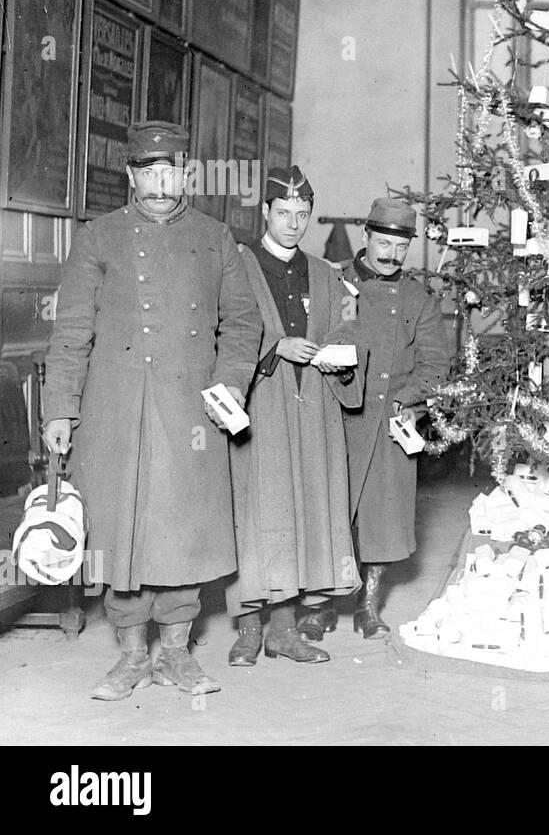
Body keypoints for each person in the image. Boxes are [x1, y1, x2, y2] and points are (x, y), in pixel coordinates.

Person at [41, 120, 262, 700]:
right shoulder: (98, 237)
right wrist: (60, 409)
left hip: (191, 413)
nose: (162, 183)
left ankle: (177, 655)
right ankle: (131, 657)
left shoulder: (216, 238)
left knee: (183, 537)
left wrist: (229, 386)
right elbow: (71, 332)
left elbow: (244, 324)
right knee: (121, 536)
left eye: (172, 170)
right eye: (149, 171)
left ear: (187, 172)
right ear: (132, 175)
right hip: (115, 410)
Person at [225, 167, 364, 666]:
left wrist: (338, 356)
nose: (292, 223)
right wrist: (275, 347)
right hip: (259, 402)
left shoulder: (326, 274)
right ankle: (246, 629)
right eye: (283, 213)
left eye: (302, 215)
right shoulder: (237, 266)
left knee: (299, 512)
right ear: (264, 212)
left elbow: (347, 336)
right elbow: (223, 334)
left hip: (313, 406)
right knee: (256, 513)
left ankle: (282, 629)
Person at [298, 198, 452, 642]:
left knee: (383, 519)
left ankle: (369, 605)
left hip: (391, 419)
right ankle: (320, 606)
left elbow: (435, 364)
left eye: (400, 248)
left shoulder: (418, 298)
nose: (390, 255)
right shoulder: (332, 282)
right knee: (329, 510)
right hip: (337, 416)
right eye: (383, 243)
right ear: (365, 237)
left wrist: (410, 402)